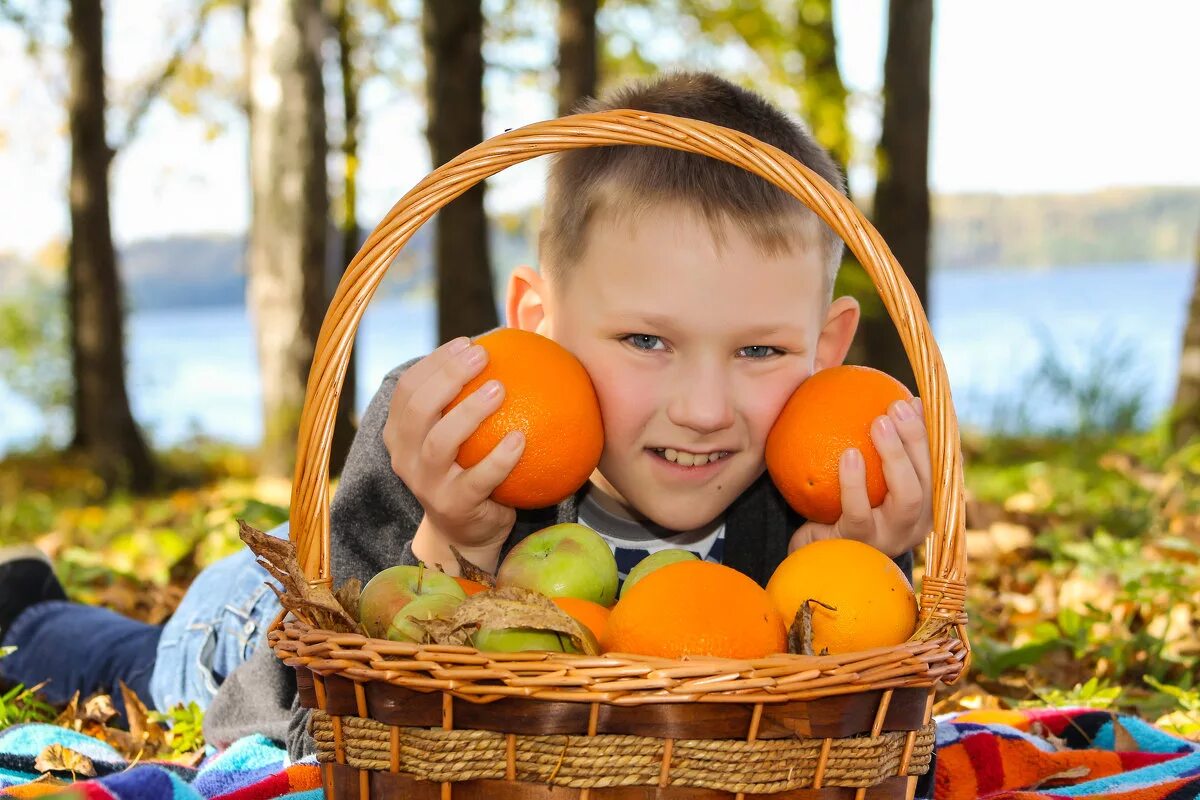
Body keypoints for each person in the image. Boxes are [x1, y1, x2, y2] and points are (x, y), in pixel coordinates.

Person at [0, 71, 934, 758]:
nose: (702, 410)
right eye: (646, 342)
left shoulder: (810, 486)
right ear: (536, 322)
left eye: (760, 351)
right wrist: (457, 542)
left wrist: (861, 563)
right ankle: (31, 611)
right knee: (130, 661)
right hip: (259, 617)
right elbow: (280, 727)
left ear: (827, 345)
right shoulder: (447, 437)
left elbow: (851, 729)